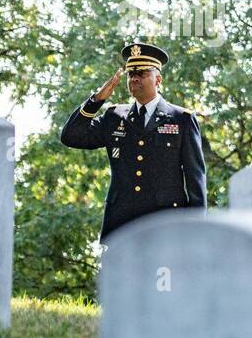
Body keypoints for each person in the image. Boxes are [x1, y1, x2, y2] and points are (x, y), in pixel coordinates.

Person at [60, 41, 206, 242]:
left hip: (166, 227)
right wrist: (96, 101)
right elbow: (71, 136)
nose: (134, 78)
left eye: (142, 73)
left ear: (158, 79)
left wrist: (195, 232)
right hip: (122, 226)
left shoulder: (182, 119)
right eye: (131, 74)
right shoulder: (114, 117)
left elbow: (195, 178)